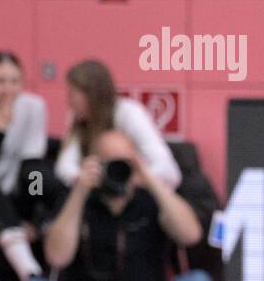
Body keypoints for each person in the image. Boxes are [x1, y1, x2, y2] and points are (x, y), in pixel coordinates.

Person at [17, 130, 215, 281]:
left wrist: (150, 178)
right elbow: (57, 257)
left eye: (124, 163)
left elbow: (190, 235)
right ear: (94, 164)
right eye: (109, 163)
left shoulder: (150, 197)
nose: (117, 170)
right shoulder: (77, 198)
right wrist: (79, 192)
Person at [54, 60, 181, 190]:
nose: (68, 101)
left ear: (91, 93)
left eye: (72, 94)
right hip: (97, 200)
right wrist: (91, 179)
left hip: (139, 198)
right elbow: (64, 169)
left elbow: (168, 171)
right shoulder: (78, 121)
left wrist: (124, 180)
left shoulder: (129, 113)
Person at [0, 52, 48, 281]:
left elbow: (33, 167)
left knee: (28, 178)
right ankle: (29, 270)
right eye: (0, 81)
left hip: (19, 197)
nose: (7, 89)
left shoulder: (33, 107)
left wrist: (32, 215)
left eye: (14, 81)